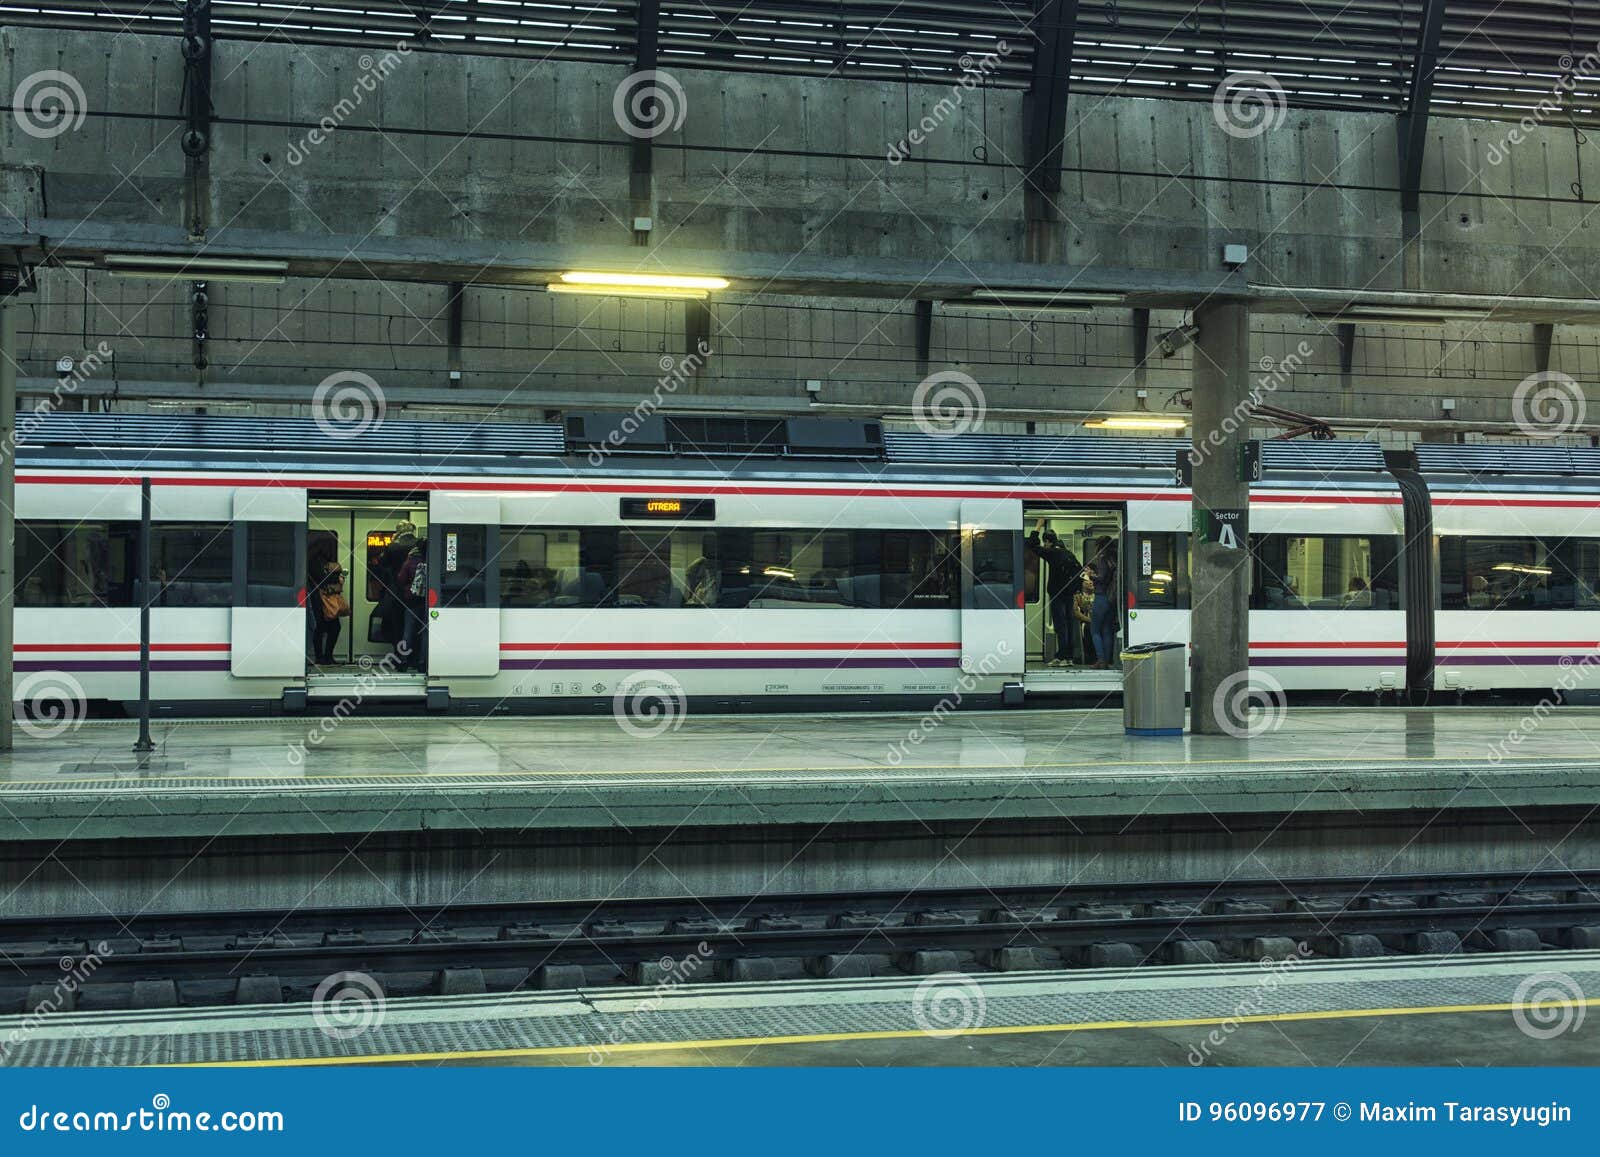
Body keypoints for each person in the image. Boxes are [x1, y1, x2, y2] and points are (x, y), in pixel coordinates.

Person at [1025, 519, 1083, 666]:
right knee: (1069, 624)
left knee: (1060, 625)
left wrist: (1037, 527)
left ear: (1048, 542)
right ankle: (1068, 657)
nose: (1045, 545)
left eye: (1045, 543)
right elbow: (1079, 572)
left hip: (1057, 593)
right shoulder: (1069, 553)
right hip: (1069, 593)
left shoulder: (1052, 553)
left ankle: (1062, 656)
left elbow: (1032, 545)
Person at [376, 519, 418, 653]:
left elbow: (381, 563)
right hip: (416, 592)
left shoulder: (393, 547)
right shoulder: (419, 544)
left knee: (397, 625)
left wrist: (392, 542)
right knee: (414, 625)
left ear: (398, 532)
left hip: (396, 591)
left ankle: (398, 657)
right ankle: (414, 658)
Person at [396, 540, 428, 671]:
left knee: (408, 632)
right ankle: (422, 663)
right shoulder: (434, 559)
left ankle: (403, 662)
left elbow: (400, 579)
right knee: (425, 633)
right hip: (429, 601)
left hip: (412, 600)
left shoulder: (411, 560)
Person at [309, 560, 348, 665]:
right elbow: (321, 578)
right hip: (319, 600)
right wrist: (337, 578)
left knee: (334, 628)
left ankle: (327, 656)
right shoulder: (315, 562)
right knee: (321, 627)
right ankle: (321, 657)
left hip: (327, 599)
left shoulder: (325, 560)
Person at [1088, 536, 1119, 669]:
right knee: (1106, 630)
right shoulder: (1115, 559)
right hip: (1111, 598)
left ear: (1099, 546)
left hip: (1101, 597)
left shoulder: (1102, 558)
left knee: (1094, 629)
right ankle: (1106, 660)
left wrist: (1091, 576)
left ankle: (1100, 660)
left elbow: (1101, 578)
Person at [1073, 574, 1097, 666]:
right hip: (1086, 621)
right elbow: (1076, 612)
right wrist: (1089, 620)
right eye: (1087, 580)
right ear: (1082, 583)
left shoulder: (1098, 594)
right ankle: (1090, 656)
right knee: (1088, 628)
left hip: (1098, 619)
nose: (1090, 582)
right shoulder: (1077, 596)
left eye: (1091, 580)